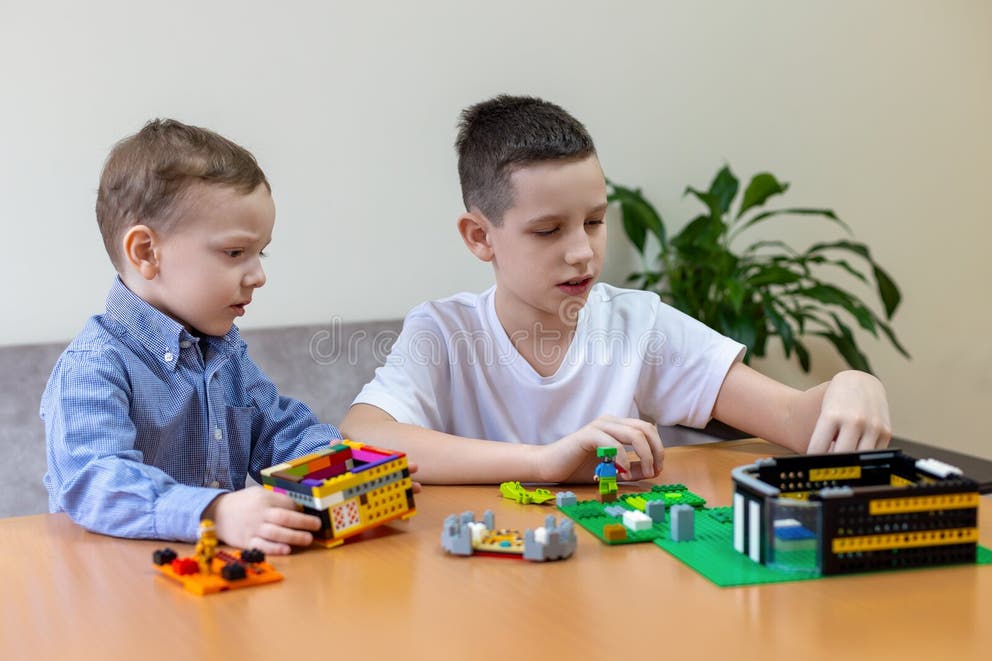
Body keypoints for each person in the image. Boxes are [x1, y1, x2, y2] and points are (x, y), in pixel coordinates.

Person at [342, 94, 891, 485]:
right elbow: (363, 440)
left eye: (596, 221)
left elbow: (795, 419)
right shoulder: (444, 331)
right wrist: (544, 462)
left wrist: (853, 384)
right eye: (548, 230)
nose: (582, 251)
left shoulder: (638, 325)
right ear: (480, 237)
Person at [43, 119, 340, 554]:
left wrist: (346, 465)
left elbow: (281, 432)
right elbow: (98, 483)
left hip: (212, 584)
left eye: (261, 252)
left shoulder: (226, 355)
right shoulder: (93, 366)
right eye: (235, 253)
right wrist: (216, 513)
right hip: (116, 594)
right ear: (146, 252)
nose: (258, 275)